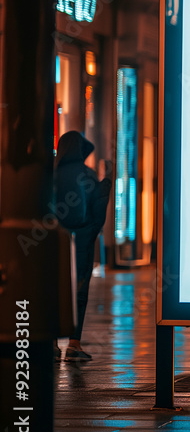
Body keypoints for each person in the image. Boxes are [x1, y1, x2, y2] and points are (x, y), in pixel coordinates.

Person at [55, 131, 112, 362]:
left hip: (53, 243)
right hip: (81, 242)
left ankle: (49, 344)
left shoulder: (51, 174)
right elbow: (97, 212)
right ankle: (73, 344)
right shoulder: (86, 175)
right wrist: (106, 183)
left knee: (52, 290)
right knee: (79, 290)